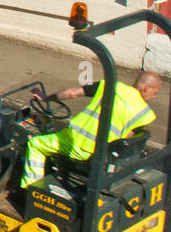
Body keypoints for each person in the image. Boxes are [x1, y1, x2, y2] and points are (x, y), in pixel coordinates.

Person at [21, 71, 162, 188]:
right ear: (145, 89)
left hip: (77, 144)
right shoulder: (144, 114)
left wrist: (46, 99)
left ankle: (31, 189)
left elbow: (72, 93)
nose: (154, 97)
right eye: (155, 93)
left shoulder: (110, 86)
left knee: (36, 145)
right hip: (104, 155)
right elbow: (126, 139)